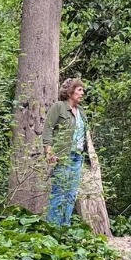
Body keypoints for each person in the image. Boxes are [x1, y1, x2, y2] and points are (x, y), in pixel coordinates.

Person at [44, 78, 88, 226]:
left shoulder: (81, 112)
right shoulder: (59, 107)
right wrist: (49, 151)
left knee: (71, 193)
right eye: (79, 90)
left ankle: (65, 227)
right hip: (63, 155)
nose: (82, 93)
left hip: (77, 157)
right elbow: (48, 128)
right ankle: (52, 228)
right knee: (59, 191)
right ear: (70, 91)